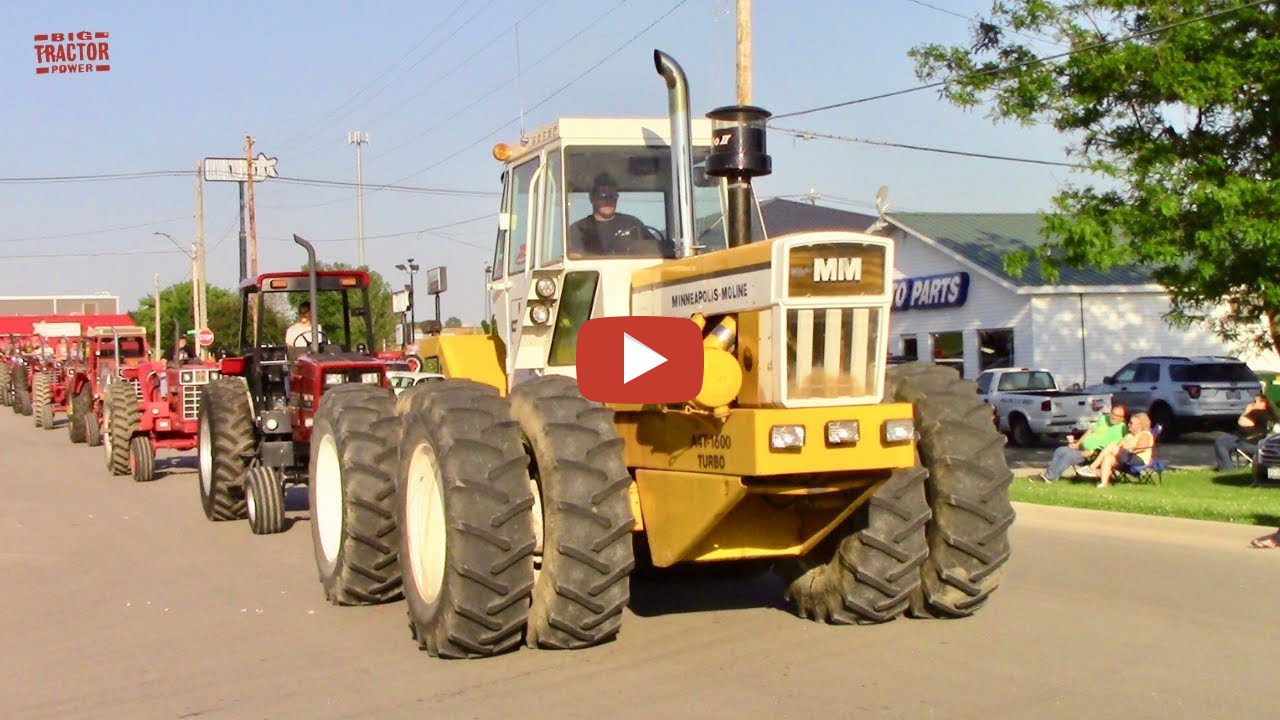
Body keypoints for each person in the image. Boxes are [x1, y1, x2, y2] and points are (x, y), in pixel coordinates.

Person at [568, 172, 657, 257]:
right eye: (603, 196)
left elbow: (655, 250)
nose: (608, 201)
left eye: (612, 196)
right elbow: (573, 258)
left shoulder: (633, 223)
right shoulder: (578, 229)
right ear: (592, 198)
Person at [1037, 405, 1128, 482]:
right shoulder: (1104, 419)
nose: (1113, 416)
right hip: (1082, 447)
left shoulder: (1121, 429)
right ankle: (1051, 474)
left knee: (1069, 455)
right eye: (1113, 413)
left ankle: (1049, 477)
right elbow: (1090, 431)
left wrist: (1092, 452)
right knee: (1060, 450)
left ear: (1122, 418)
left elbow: (1112, 447)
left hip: (1093, 454)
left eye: (1117, 415)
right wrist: (1077, 444)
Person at [1078, 412, 1155, 487]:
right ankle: (1103, 483)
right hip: (1127, 458)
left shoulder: (1145, 434)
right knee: (1108, 457)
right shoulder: (1129, 435)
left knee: (1111, 446)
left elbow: (1140, 448)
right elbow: (1118, 447)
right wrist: (1120, 450)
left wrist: (1126, 449)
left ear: (1140, 425)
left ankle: (1092, 468)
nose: (1128, 425)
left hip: (1138, 460)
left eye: (1131, 423)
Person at [1213, 393, 1274, 471]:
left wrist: (1247, 411)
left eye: (1255, 401)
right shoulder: (1270, 414)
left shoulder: (1257, 413)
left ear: (1263, 403)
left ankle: (1227, 469)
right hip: (1262, 444)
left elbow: (1242, 423)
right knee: (1224, 440)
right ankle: (1225, 466)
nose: (1252, 403)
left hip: (1250, 444)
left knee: (1220, 443)